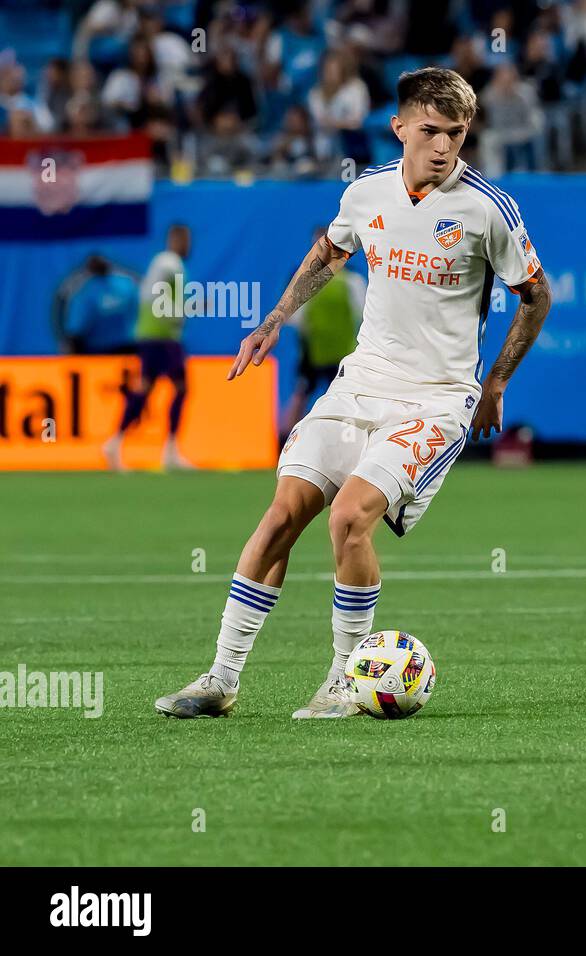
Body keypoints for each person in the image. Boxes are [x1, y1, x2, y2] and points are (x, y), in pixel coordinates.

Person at [155, 67, 552, 719]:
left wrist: (497, 381)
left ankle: (343, 679)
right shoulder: (367, 194)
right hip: (360, 382)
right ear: (399, 128)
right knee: (284, 513)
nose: (444, 146)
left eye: (456, 133)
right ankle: (220, 680)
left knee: (350, 517)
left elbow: (535, 295)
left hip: (436, 398)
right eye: (430, 130)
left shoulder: (487, 209)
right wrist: (276, 318)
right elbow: (328, 254)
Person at [103, 223, 194, 471]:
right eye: (185, 239)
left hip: (154, 335)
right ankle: (170, 450)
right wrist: (173, 315)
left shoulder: (165, 263)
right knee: (180, 387)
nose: (188, 245)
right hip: (161, 336)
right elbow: (152, 294)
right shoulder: (169, 263)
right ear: (175, 240)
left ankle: (116, 442)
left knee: (148, 388)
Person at [280, 227, 365, 441]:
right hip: (331, 351)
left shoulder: (348, 281)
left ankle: (286, 443)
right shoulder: (350, 280)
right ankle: (291, 441)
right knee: (334, 398)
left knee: (308, 395)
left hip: (325, 351)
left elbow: (294, 319)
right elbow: (364, 314)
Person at [54, 254, 137, 355]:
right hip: (127, 347)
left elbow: (79, 325)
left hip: (99, 351)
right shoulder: (127, 284)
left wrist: (72, 343)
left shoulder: (89, 290)